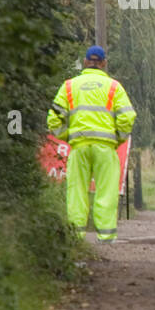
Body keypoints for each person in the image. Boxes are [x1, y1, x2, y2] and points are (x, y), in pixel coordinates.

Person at [47, 46, 136, 242]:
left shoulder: (69, 86)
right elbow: (127, 117)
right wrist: (118, 138)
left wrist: (68, 136)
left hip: (79, 147)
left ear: (85, 62)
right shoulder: (114, 87)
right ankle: (105, 238)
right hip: (105, 148)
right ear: (104, 63)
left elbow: (53, 120)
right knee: (106, 191)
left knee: (77, 192)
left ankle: (76, 237)